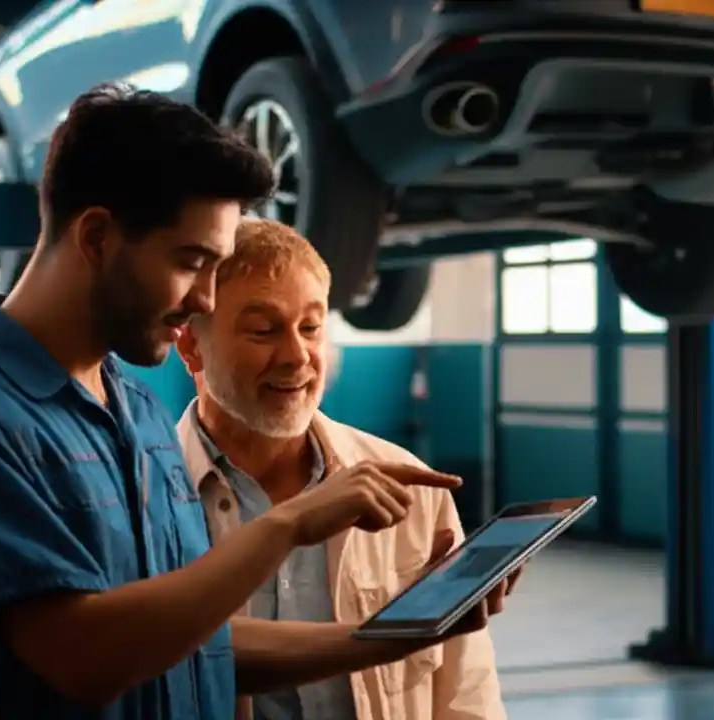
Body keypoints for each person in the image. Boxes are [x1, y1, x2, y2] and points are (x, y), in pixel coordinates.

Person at [0, 84, 501, 720]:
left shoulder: (135, 410)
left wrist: (404, 634)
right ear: (97, 237)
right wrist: (288, 525)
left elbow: (194, 642)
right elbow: (83, 656)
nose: (204, 299)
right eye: (192, 261)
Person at [173, 218, 509, 720]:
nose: (296, 356)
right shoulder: (146, 493)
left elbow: (465, 692)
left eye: (310, 327)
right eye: (263, 330)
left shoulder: (408, 484)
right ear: (190, 347)